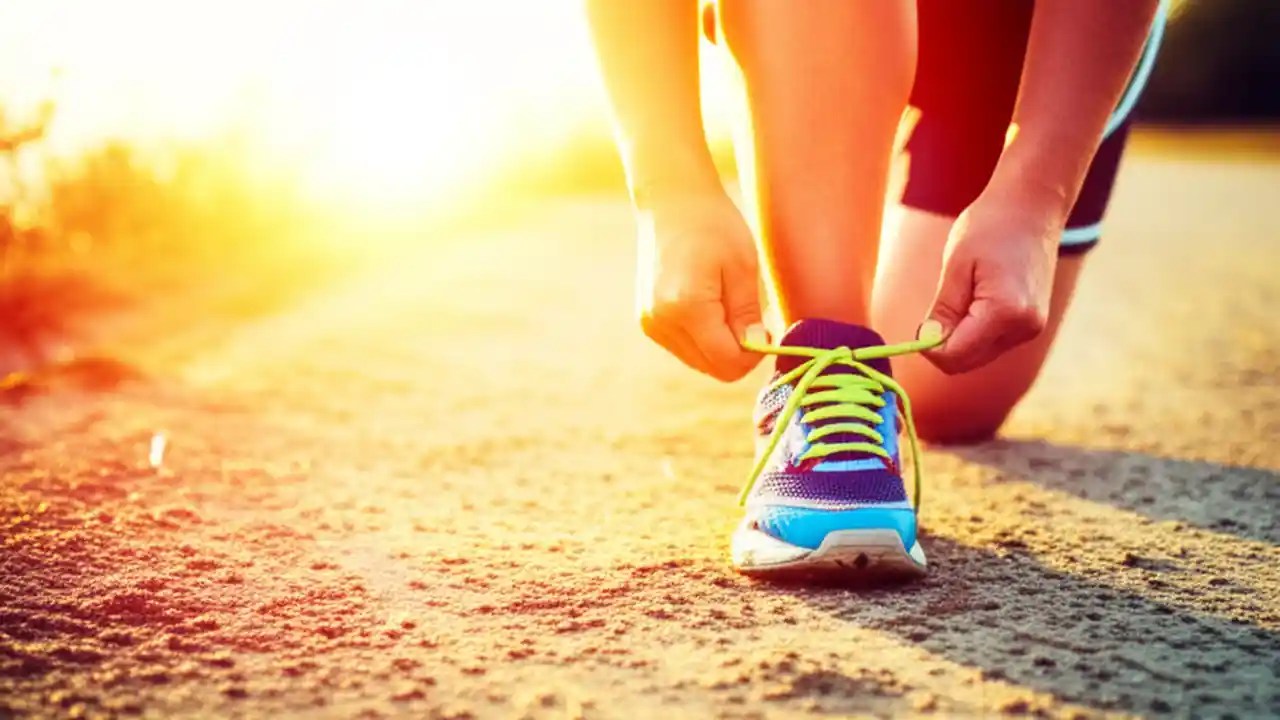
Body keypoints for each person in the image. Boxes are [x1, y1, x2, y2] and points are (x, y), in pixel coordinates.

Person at [586, 0, 1165, 578]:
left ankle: (846, 323)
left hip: (1024, 35)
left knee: (947, 392)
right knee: (858, 351)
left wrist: (1040, 198)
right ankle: (823, 355)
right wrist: (668, 190)